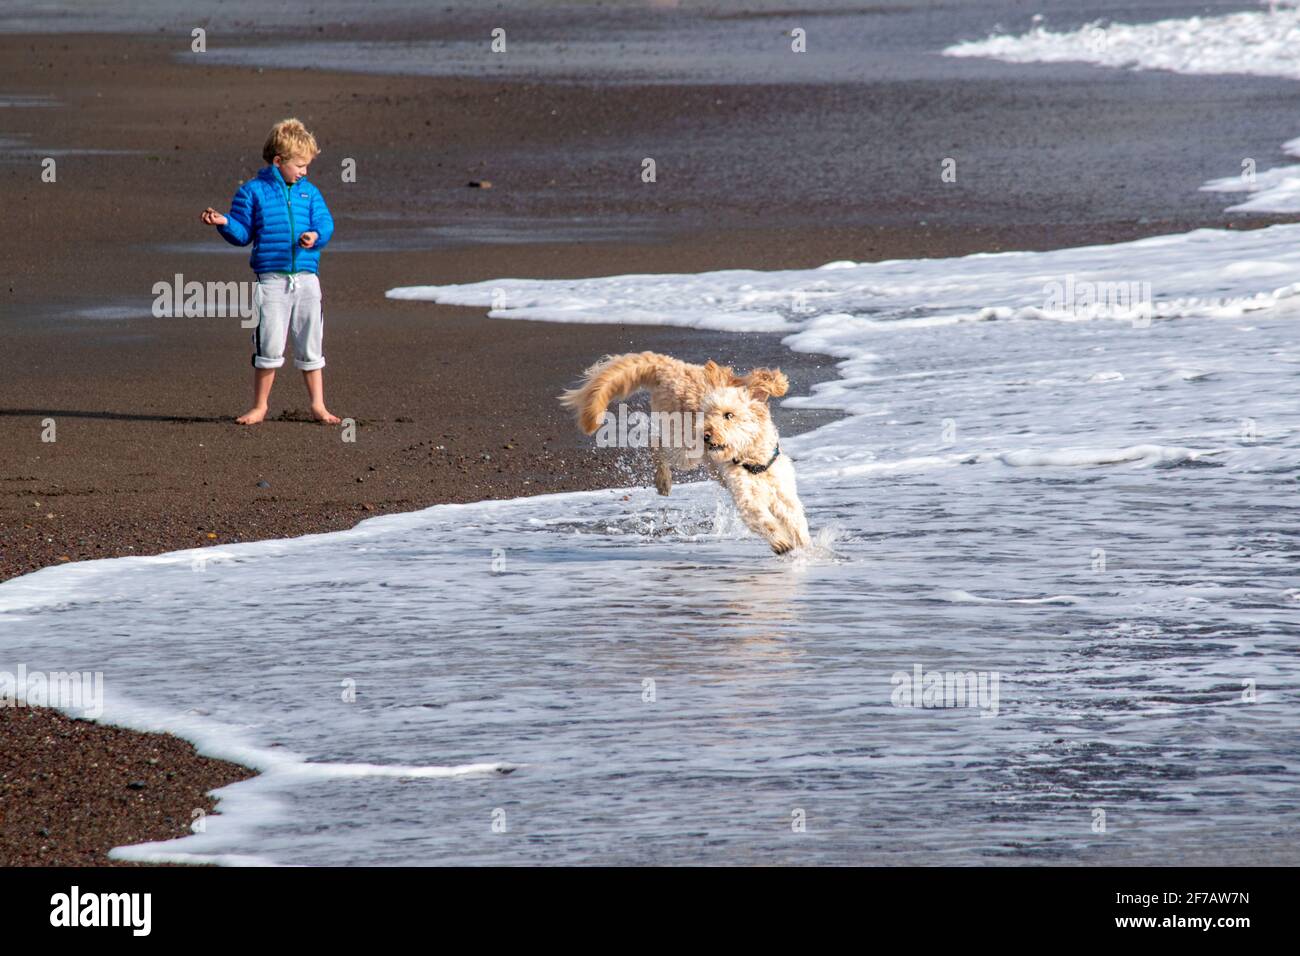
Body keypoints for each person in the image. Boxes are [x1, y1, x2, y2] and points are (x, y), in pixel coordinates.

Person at [201, 118, 340, 425]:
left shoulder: (310, 193)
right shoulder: (252, 192)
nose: (305, 172)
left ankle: (318, 405)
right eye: (300, 165)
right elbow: (242, 234)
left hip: (306, 280)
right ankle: (260, 406)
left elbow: (326, 224)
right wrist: (223, 223)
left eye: (307, 166)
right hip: (271, 281)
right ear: (279, 161)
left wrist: (315, 237)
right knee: (270, 343)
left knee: (310, 342)